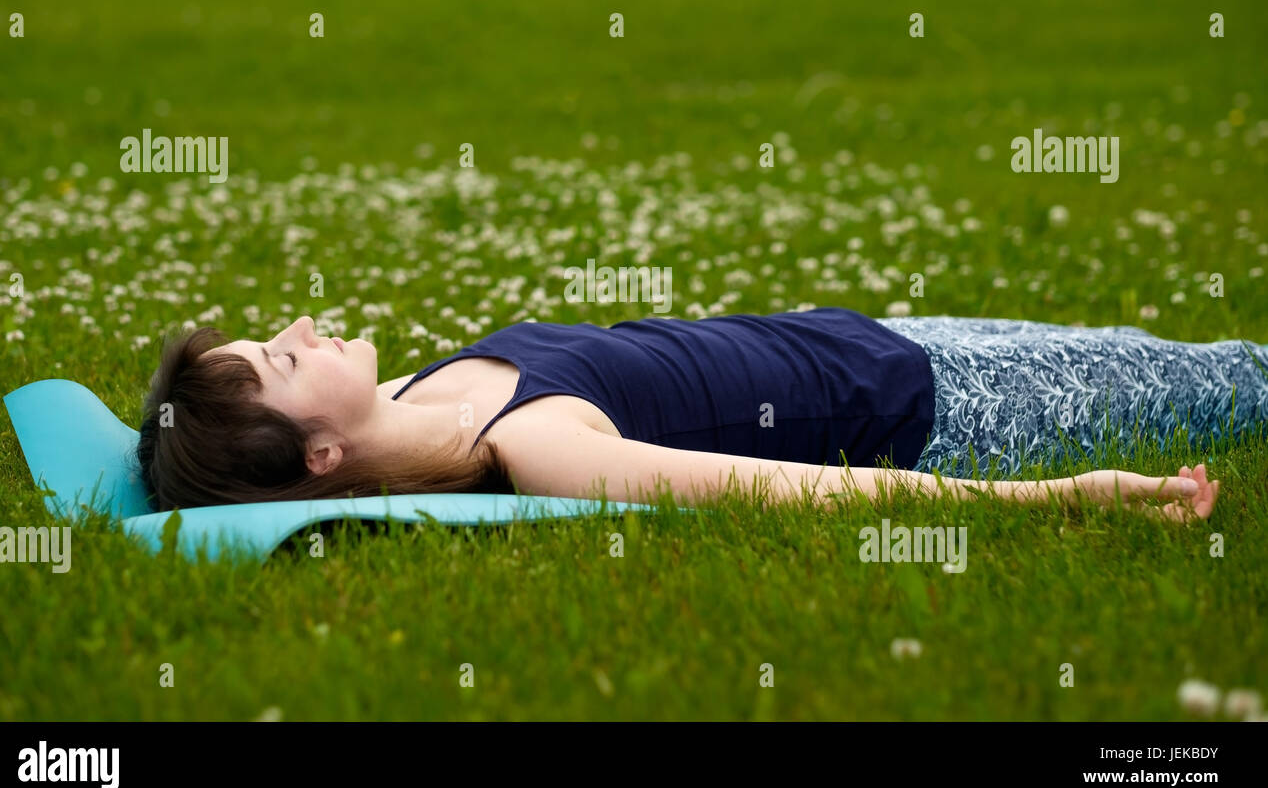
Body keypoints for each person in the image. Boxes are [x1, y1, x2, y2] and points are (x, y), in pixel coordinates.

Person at [137, 308, 1259, 521]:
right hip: (939, 409)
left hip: (881, 336)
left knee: (1194, 358)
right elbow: (814, 492)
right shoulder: (534, 450)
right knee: (1237, 382)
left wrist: (179, 431)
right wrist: (1058, 499)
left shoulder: (411, 398)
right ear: (322, 450)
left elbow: (204, 455)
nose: (302, 326)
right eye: (284, 357)